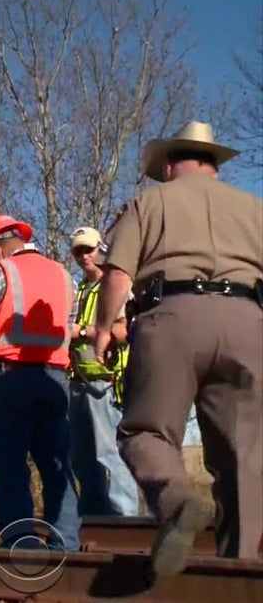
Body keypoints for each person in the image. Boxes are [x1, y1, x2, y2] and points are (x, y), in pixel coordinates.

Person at [94, 120, 263, 576]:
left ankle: (177, 500)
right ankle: (242, 573)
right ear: (214, 166)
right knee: (244, 457)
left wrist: (104, 329)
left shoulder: (148, 203)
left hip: (172, 317)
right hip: (248, 321)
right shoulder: (254, 208)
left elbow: (117, 274)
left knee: (144, 431)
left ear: (168, 166)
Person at [0, 214, 81, 552]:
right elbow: (69, 324)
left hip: (11, 376)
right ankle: (66, 542)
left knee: (9, 461)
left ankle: (21, 541)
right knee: (57, 463)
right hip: (54, 377)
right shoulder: (64, 275)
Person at [67, 227, 140, 517]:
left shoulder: (117, 285)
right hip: (79, 382)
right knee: (82, 459)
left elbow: (127, 331)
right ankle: (94, 521)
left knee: (111, 454)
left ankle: (126, 520)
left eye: (89, 249)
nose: (84, 256)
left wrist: (83, 332)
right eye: (78, 251)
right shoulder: (80, 289)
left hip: (106, 382)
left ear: (102, 249)